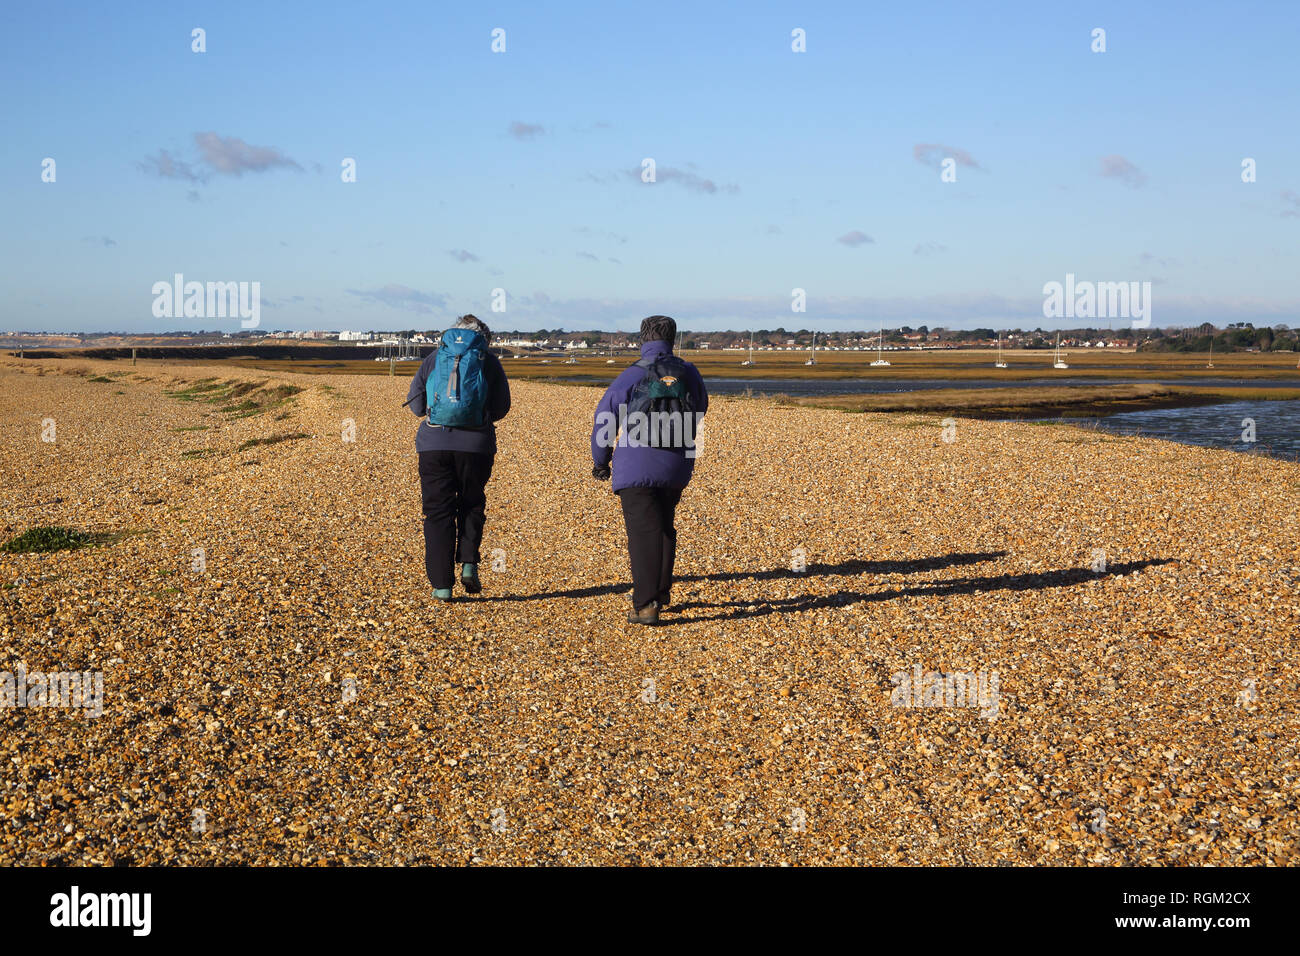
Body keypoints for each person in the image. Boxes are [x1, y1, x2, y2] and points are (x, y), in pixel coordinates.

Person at [591, 315, 708, 625]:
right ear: (673, 339)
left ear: (642, 339)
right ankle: (661, 591)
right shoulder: (689, 371)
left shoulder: (632, 374)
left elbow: (605, 417)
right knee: (664, 524)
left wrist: (601, 461)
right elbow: (700, 408)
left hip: (636, 464)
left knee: (643, 532)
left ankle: (646, 605)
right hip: (677, 463)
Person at [406, 315, 511, 601]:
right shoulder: (489, 361)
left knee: (438, 512)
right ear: (484, 338)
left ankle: (442, 586)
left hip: (433, 444)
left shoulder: (434, 358)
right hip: (476, 446)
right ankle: (468, 564)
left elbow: (416, 406)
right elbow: (502, 407)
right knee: (471, 504)